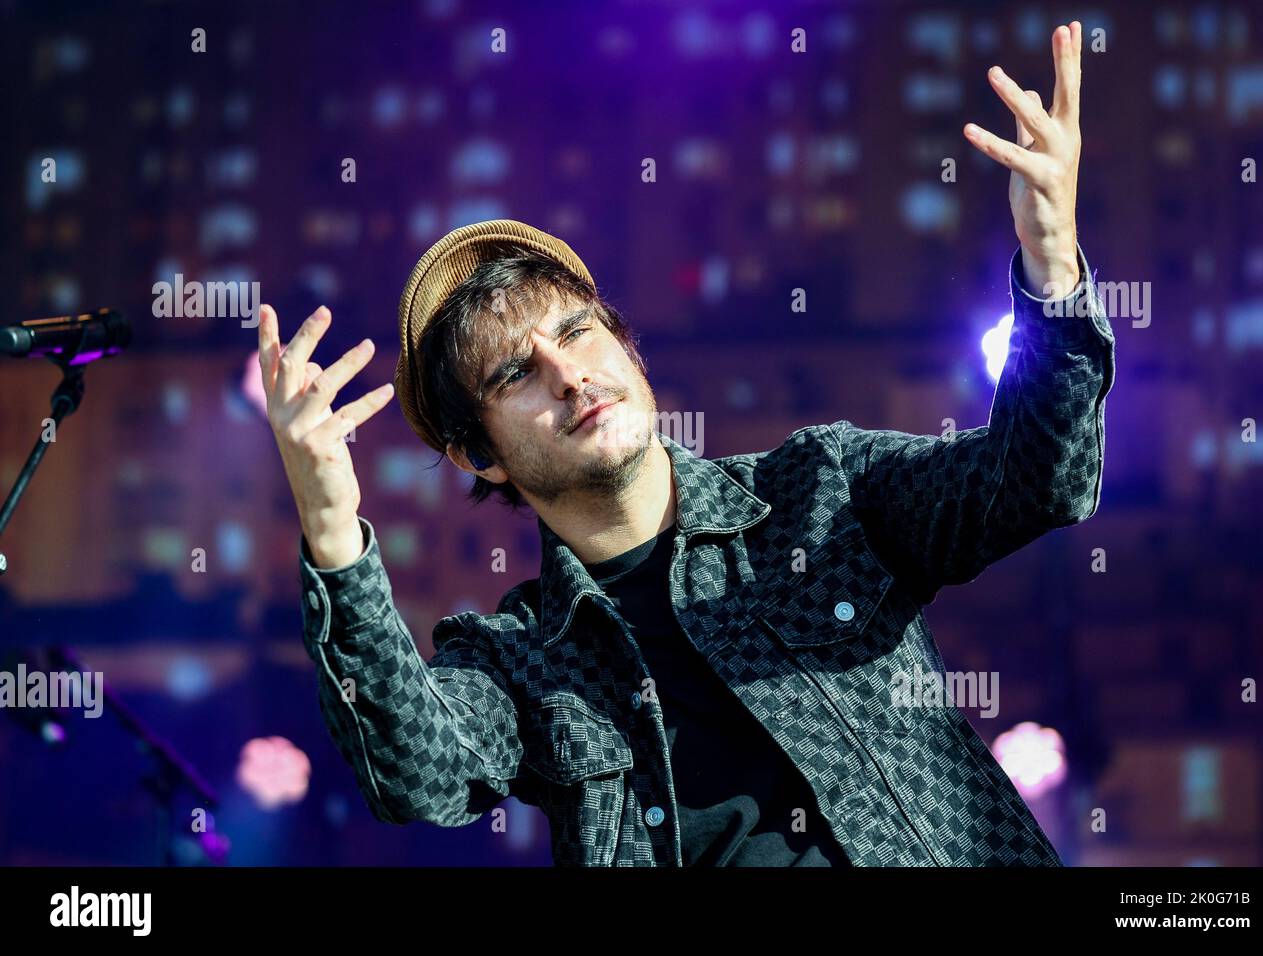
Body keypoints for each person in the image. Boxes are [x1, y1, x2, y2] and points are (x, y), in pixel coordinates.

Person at [261, 21, 1113, 865]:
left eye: (579, 331)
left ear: (627, 347)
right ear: (477, 456)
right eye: (516, 373)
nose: (569, 373)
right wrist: (333, 533)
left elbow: (1041, 481)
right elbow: (414, 773)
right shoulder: (520, 660)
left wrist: (1053, 270)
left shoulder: (823, 492)